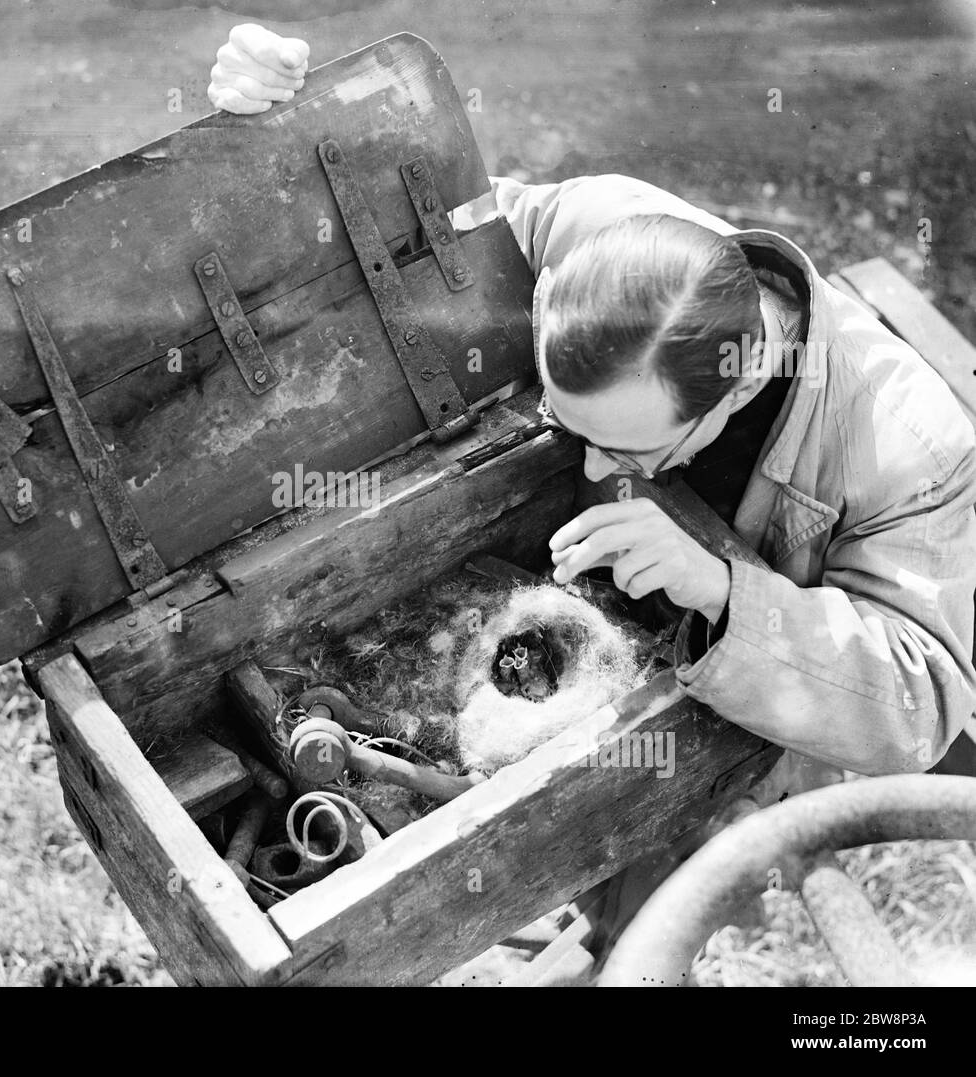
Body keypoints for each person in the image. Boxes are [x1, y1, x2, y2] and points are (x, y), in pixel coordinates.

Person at [207, 24, 976, 789]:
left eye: (633, 453)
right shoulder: (592, 228)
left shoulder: (915, 452)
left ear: (738, 386)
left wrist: (719, 588)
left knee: (661, 896)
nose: (601, 469)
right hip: (579, 676)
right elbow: (404, 244)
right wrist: (275, 125)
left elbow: (922, 702)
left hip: (740, 732)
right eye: (574, 429)